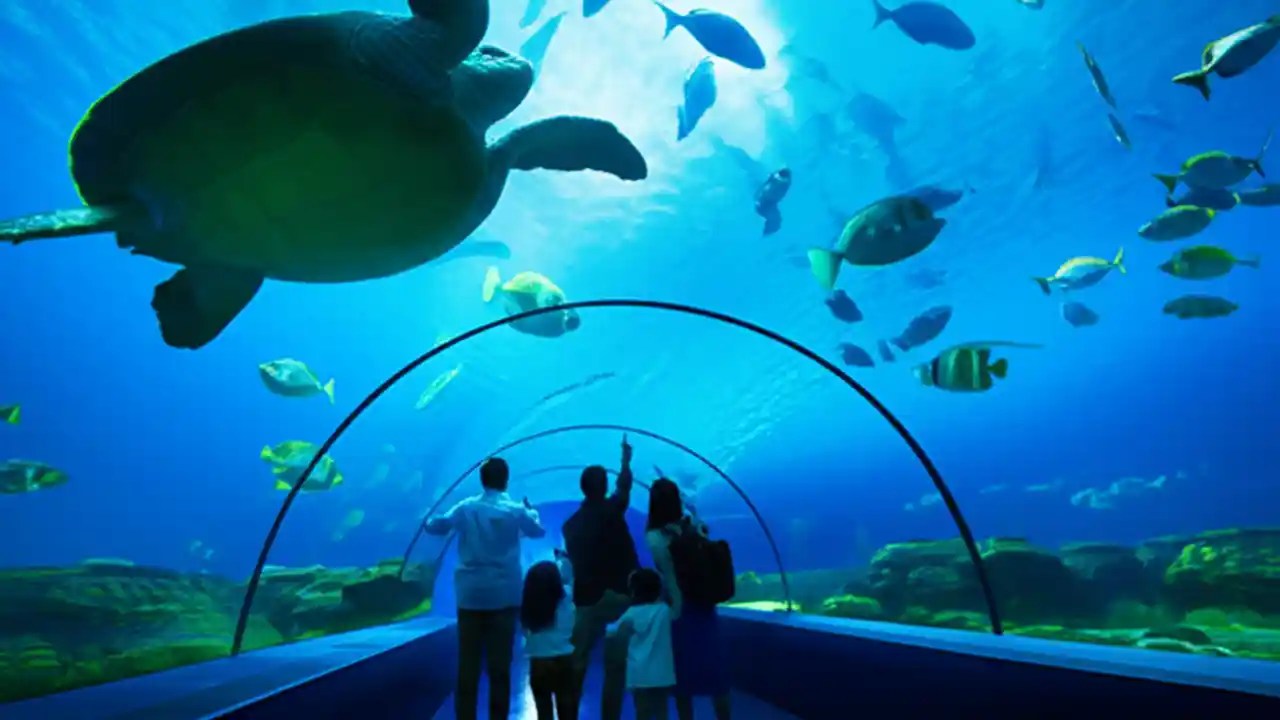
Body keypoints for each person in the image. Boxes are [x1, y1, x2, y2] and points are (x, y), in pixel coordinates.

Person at [425, 457, 545, 720]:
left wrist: (426, 519)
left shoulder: (466, 507)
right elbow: (537, 531)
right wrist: (532, 511)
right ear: (506, 479)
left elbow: (439, 525)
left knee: (467, 665)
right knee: (500, 667)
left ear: (482, 479)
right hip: (504, 595)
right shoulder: (516, 510)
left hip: (471, 595)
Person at [562, 434, 639, 720]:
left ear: (582, 488)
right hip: (620, 598)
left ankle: (568, 714)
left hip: (586, 603)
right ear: (603, 487)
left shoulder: (569, 526)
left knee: (577, 662)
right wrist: (625, 460)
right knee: (615, 667)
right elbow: (625, 486)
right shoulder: (612, 510)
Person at [645, 478, 731, 720]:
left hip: (678, 612)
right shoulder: (691, 525)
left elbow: (663, 570)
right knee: (717, 677)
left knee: (682, 681)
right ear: (677, 501)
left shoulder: (653, 536)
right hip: (705, 607)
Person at [606, 569, 675, 720]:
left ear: (633, 590)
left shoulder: (631, 613)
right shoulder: (664, 610)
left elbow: (613, 631)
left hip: (639, 671)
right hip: (662, 671)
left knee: (642, 711)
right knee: (662, 709)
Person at [521, 550, 580, 719]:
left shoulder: (528, 609)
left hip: (538, 664)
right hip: (564, 662)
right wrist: (562, 559)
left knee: (543, 713)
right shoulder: (566, 599)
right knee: (568, 712)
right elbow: (570, 577)